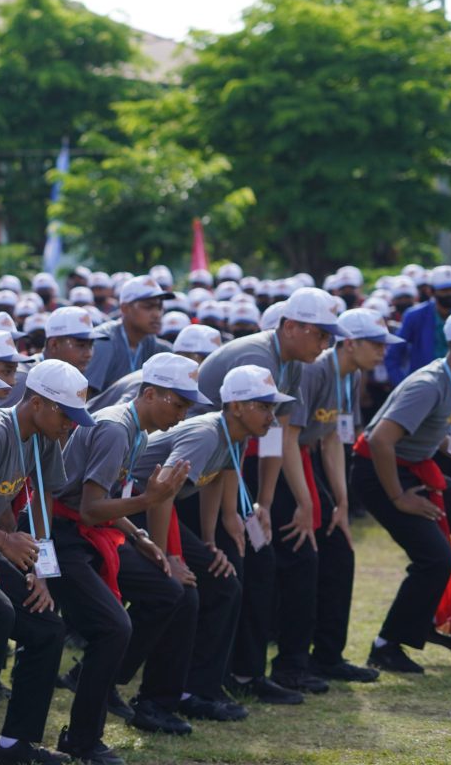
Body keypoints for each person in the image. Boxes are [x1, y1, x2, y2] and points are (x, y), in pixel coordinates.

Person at [51, 354, 205, 765]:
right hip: (62, 534)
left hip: (90, 531)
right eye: (178, 403)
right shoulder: (117, 428)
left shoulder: (138, 431)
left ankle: (101, 680)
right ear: (149, 393)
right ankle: (82, 740)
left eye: (188, 407)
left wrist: (138, 536)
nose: (183, 414)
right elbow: (88, 509)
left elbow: (105, 502)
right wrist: (147, 501)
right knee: (113, 628)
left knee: (168, 591)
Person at [195, 288, 338, 704]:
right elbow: (225, 443)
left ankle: (244, 672)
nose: (326, 344)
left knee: (258, 561)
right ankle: (216, 678)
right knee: (231, 569)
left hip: (224, 466)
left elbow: (277, 436)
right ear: (290, 327)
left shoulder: (291, 364)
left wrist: (266, 504)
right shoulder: (258, 359)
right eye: (320, 334)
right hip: (194, 469)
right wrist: (230, 513)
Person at [131, 365, 289, 715]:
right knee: (186, 590)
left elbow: (217, 477)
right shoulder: (206, 433)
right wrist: (165, 557)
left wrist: (208, 540)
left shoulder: (236, 435)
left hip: (153, 508)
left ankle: (199, 689)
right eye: (264, 406)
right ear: (236, 407)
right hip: (132, 507)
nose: (271, 416)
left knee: (223, 581)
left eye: (273, 407)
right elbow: (161, 493)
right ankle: (179, 693)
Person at [0, 359, 87, 765]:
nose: (71, 425)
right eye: (66, 414)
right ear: (38, 403)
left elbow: (43, 498)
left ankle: (15, 743)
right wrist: (4, 540)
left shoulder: (46, 436)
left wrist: (41, 571)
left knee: (47, 628)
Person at [357, 309, 451, 674]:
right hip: (381, 473)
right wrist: (399, 497)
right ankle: (386, 646)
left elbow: (436, 427)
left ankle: (437, 620)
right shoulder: (429, 383)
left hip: (414, 466)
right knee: (434, 558)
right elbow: (380, 440)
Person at [287, 309, 399, 684]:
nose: (383, 352)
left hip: (307, 461)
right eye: (377, 344)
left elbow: (333, 438)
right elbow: (288, 438)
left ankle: (327, 657)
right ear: (350, 343)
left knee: (339, 552)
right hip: (281, 464)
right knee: (304, 559)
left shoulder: (352, 375)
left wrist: (341, 502)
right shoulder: (314, 370)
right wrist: (306, 501)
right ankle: (292, 663)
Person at [87, 324, 222, 412]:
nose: (212, 367)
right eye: (207, 360)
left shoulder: (177, 383)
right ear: (183, 356)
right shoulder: (153, 381)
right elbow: (116, 422)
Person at [82, 275, 172, 396]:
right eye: (148, 307)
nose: (157, 314)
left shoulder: (149, 341)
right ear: (125, 308)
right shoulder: (104, 342)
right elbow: (83, 399)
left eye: (159, 307)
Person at [384, 265, 451, 385]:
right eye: (444, 290)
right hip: (424, 385)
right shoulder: (414, 316)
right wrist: (405, 386)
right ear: (431, 291)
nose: (450, 294)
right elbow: (393, 356)